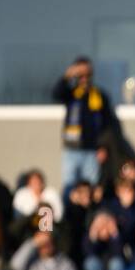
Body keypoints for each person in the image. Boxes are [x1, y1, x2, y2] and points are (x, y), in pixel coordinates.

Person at [53, 57, 118, 189]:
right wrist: (67, 76)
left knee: (91, 186)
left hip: (92, 150)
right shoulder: (71, 94)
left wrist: (103, 147)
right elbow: (56, 94)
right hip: (72, 149)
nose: (84, 78)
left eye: (87, 74)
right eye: (80, 75)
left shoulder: (99, 95)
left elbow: (108, 124)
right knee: (70, 186)